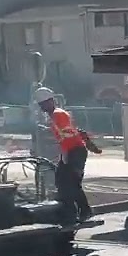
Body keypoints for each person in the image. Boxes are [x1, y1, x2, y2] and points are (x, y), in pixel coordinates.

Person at [34, 86, 93, 223]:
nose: (41, 108)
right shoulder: (55, 115)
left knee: (70, 183)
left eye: (42, 104)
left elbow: (67, 136)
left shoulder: (58, 115)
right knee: (62, 180)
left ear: (49, 102)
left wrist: (65, 154)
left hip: (75, 151)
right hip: (72, 150)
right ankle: (73, 211)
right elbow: (66, 133)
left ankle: (80, 212)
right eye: (40, 105)